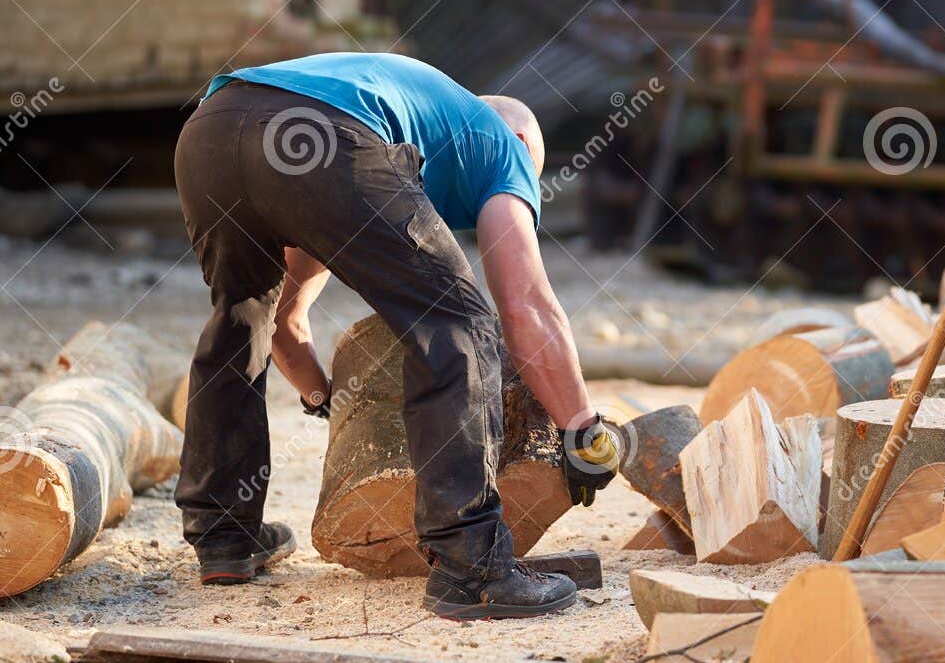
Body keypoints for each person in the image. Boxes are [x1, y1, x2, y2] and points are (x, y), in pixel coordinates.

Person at [172, 51, 619, 619]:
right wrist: (581, 429)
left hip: (213, 128)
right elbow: (525, 305)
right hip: (326, 131)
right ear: (524, 145)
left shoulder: (399, 124)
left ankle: (225, 537)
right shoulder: (501, 141)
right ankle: (471, 565)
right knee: (456, 320)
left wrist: (323, 399)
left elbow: (284, 321)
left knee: (241, 319)